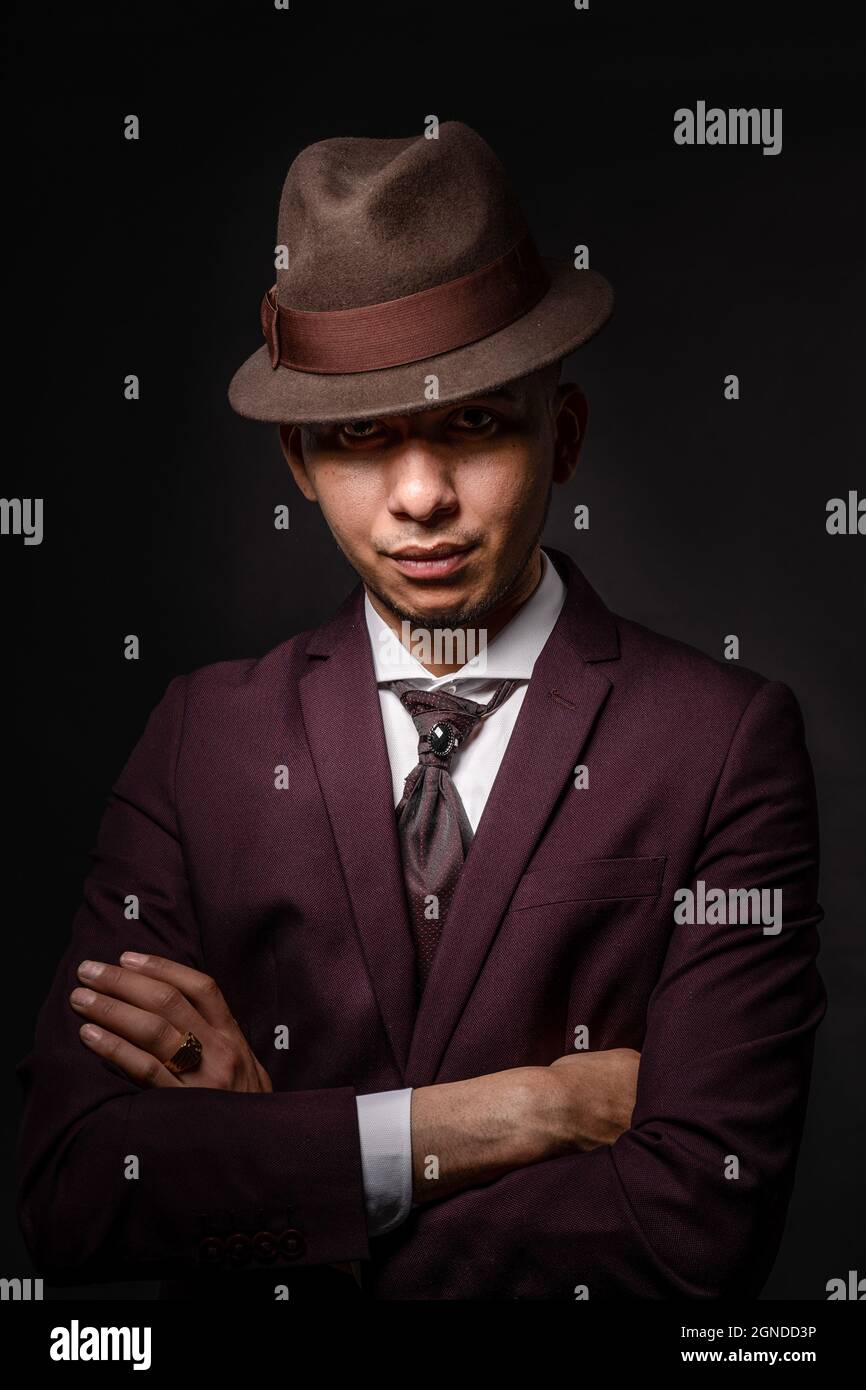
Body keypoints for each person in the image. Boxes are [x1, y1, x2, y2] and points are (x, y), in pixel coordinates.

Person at [15, 121, 826, 1300]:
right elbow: (78, 1194)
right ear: (298, 460)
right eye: (359, 438)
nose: (420, 497)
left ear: (564, 436)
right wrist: (524, 1109)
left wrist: (279, 1169)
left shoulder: (720, 743)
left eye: (475, 423)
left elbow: (689, 1235)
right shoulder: (202, 741)